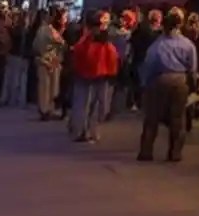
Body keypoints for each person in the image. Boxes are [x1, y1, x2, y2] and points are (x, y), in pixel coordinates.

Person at [138, 8, 198, 162]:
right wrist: (192, 86)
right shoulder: (188, 44)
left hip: (159, 80)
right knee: (177, 119)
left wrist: (144, 84)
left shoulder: (157, 45)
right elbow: (192, 68)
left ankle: (146, 151)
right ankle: (175, 153)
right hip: (179, 81)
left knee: (152, 118)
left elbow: (149, 64)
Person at [69, 10, 119, 143]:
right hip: (94, 76)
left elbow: (79, 56)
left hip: (93, 76)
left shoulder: (89, 41)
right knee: (91, 105)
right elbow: (112, 58)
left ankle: (86, 130)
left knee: (90, 105)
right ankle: (86, 131)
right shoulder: (99, 42)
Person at [32, 10, 67, 120]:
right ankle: (46, 109)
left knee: (47, 86)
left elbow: (36, 46)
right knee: (48, 86)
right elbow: (61, 44)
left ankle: (46, 109)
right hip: (49, 61)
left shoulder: (44, 30)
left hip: (48, 61)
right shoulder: (48, 30)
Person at [129, 9, 162, 113]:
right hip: (145, 59)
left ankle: (139, 103)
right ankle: (142, 103)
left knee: (141, 83)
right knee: (143, 83)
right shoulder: (158, 33)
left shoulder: (142, 29)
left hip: (142, 59)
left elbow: (133, 42)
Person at [3, 11, 29, 107]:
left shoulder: (15, 31)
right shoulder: (25, 31)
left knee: (12, 78)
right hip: (19, 56)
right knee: (17, 79)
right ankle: (15, 98)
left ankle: (11, 98)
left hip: (14, 55)